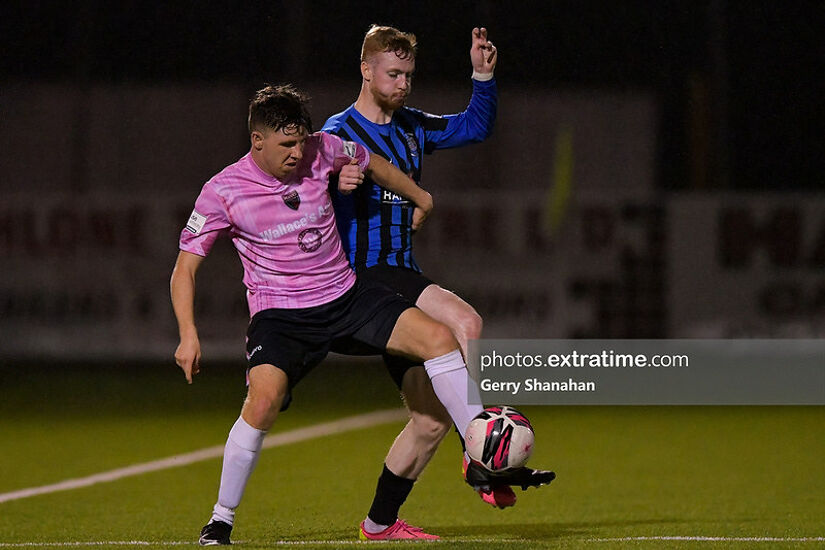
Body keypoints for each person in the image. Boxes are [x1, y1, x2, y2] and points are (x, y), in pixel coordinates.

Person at [172, 84, 509, 545]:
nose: (297, 153)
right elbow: (184, 269)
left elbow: (374, 163)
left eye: (301, 141)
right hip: (282, 317)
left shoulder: (322, 149)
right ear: (257, 141)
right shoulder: (223, 191)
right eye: (286, 144)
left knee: (439, 338)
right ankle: (221, 519)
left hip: (346, 298)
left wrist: (420, 196)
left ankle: (481, 454)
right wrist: (188, 334)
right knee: (264, 400)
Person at [323, 25, 556, 535]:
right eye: (393, 72)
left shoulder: (411, 126)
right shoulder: (337, 133)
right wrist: (335, 184)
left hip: (399, 278)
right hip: (363, 278)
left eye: (409, 74)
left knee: (428, 422)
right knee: (465, 320)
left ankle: (379, 523)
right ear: (366, 70)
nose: (403, 83)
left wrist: (483, 75)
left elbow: (474, 127)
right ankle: (483, 455)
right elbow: (306, 190)